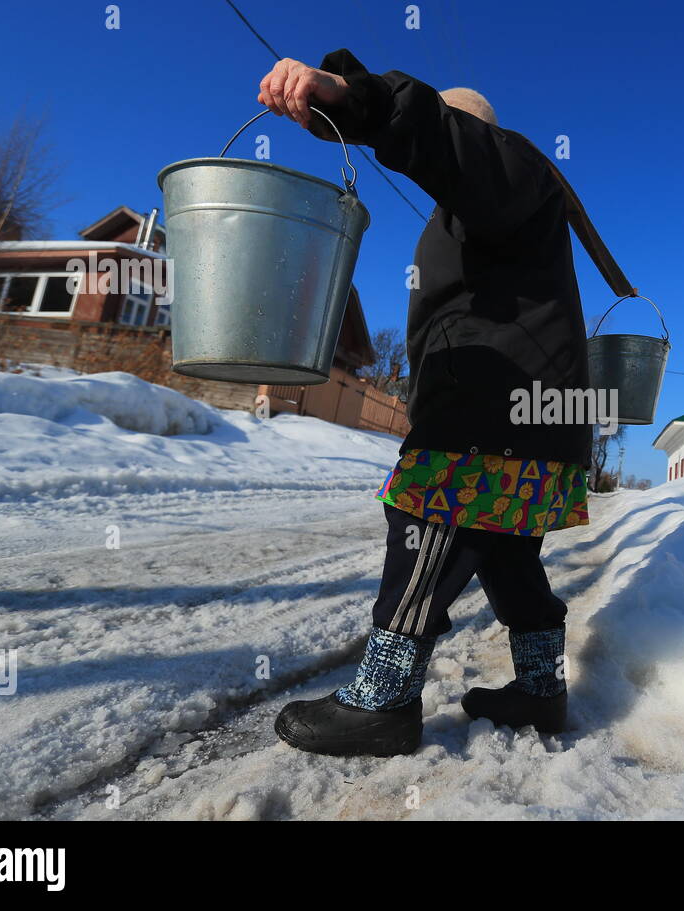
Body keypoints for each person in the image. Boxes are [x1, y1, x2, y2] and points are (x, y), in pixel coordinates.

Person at [259, 50, 592, 757]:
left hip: (494, 416)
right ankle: (541, 689)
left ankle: (385, 701)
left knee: (425, 523)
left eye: (443, 135)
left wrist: (358, 102)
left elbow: (441, 140)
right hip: (524, 418)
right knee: (506, 554)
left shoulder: (503, 165)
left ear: (462, 133)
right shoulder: (491, 208)